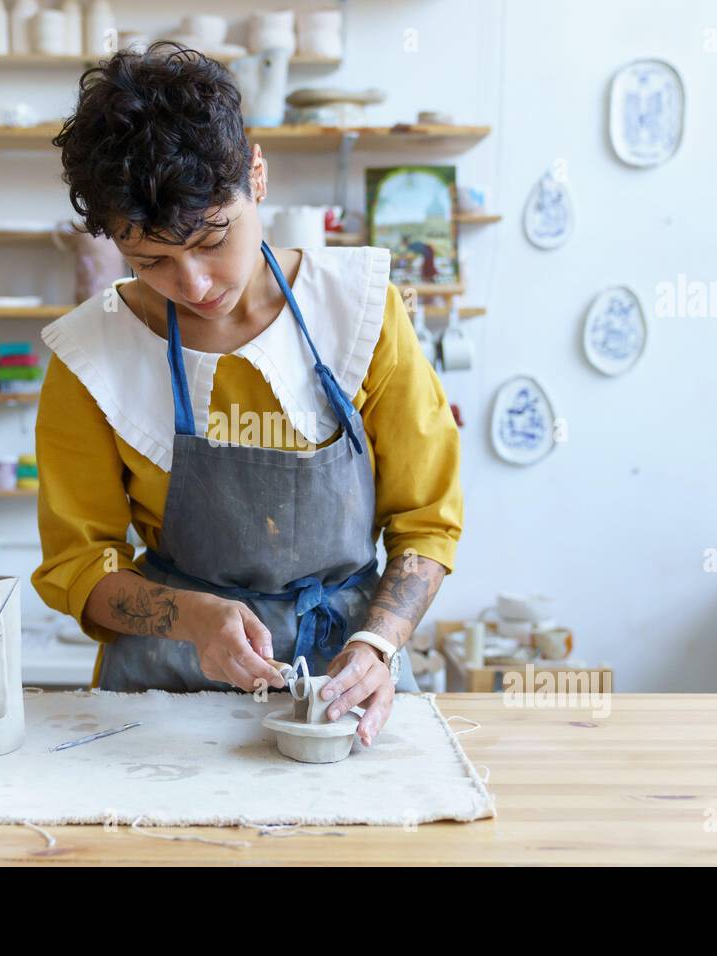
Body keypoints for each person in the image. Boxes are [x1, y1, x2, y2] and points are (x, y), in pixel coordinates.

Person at [32, 43, 462, 747]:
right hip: (160, 690)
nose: (195, 283)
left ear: (256, 177)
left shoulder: (358, 313)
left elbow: (426, 520)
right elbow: (79, 565)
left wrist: (379, 645)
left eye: (211, 238)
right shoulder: (91, 354)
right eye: (151, 261)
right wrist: (190, 617)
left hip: (344, 681)